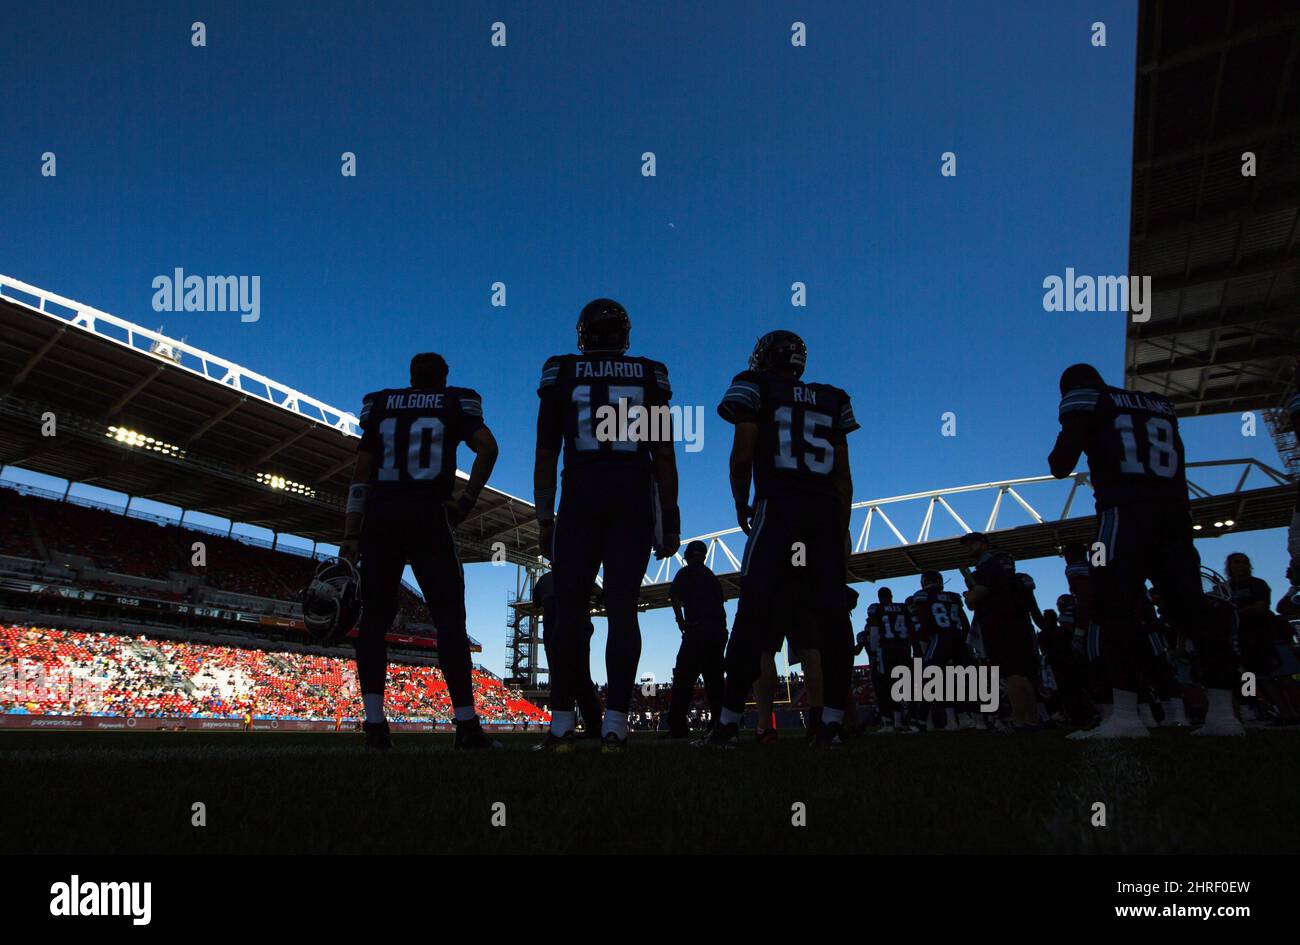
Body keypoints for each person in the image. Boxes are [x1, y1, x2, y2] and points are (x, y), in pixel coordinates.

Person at [1049, 362, 1242, 737]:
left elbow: (1060, 464)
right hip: (1174, 515)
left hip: (1123, 512)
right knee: (1193, 609)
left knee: (1111, 607)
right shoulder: (1157, 403)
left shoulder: (1086, 396)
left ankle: (1125, 716)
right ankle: (1224, 715)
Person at [533, 299, 680, 752]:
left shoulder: (562, 371)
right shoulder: (648, 373)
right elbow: (663, 454)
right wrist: (670, 517)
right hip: (631, 497)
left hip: (580, 495)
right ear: (624, 334)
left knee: (570, 608)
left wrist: (544, 516)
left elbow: (545, 453)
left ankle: (561, 726)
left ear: (584, 334)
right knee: (623, 607)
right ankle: (615, 722)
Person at [704, 330, 858, 748]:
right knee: (832, 617)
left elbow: (742, 456)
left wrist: (742, 502)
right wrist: (839, 528)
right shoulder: (832, 398)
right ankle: (831, 724)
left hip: (781, 507)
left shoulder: (754, 386)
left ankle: (729, 724)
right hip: (825, 512)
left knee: (752, 616)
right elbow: (844, 478)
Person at [341, 352, 501, 750]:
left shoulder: (380, 404)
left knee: (374, 620)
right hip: (429, 515)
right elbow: (488, 448)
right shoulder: (454, 401)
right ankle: (465, 725)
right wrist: (465, 503)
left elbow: (361, 472)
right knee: (449, 619)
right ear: (444, 378)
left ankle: (375, 727)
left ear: (410, 376)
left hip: (381, 516)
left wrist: (350, 533)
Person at [959, 533, 1040, 730]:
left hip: (998, 625)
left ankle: (1020, 720)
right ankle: (1032, 720)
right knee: (1023, 673)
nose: (969, 547)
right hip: (1021, 624)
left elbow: (973, 600)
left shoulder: (988, 567)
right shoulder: (1016, 576)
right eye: (967, 544)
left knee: (1010, 672)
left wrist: (969, 594)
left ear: (985, 544)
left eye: (973, 543)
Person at [665, 541, 727, 738]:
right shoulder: (711, 577)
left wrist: (680, 620)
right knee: (715, 681)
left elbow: (674, 596)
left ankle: (677, 728)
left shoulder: (684, 573)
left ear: (688, 555)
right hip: (717, 634)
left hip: (696, 633)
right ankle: (719, 724)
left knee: (683, 680)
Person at [532, 570, 604, 739]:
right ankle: (595, 726)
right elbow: (600, 593)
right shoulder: (579, 574)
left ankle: (561, 728)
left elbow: (536, 604)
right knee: (583, 677)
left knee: (559, 678)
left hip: (554, 629)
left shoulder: (544, 579)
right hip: (579, 628)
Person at [907, 570, 979, 730]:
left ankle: (921, 723)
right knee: (970, 680)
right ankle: (980, 719)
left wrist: (925, 643)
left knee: (930, 680)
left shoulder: (923, 597)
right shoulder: (953, 597)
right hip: (958, 640)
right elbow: (965, 624)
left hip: (939, 640)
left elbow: (925, 624)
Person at [866, 586, 920, 733]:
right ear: (891, 595)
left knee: (886, 686)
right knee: (906, 686)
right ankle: (912, 722)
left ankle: (890, 723)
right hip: (903, 649)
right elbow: (911, 629)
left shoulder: (876, 609)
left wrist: (875, 649)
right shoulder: (903, 608)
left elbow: (875, 628)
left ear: (879, 597)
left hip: (886, 650)